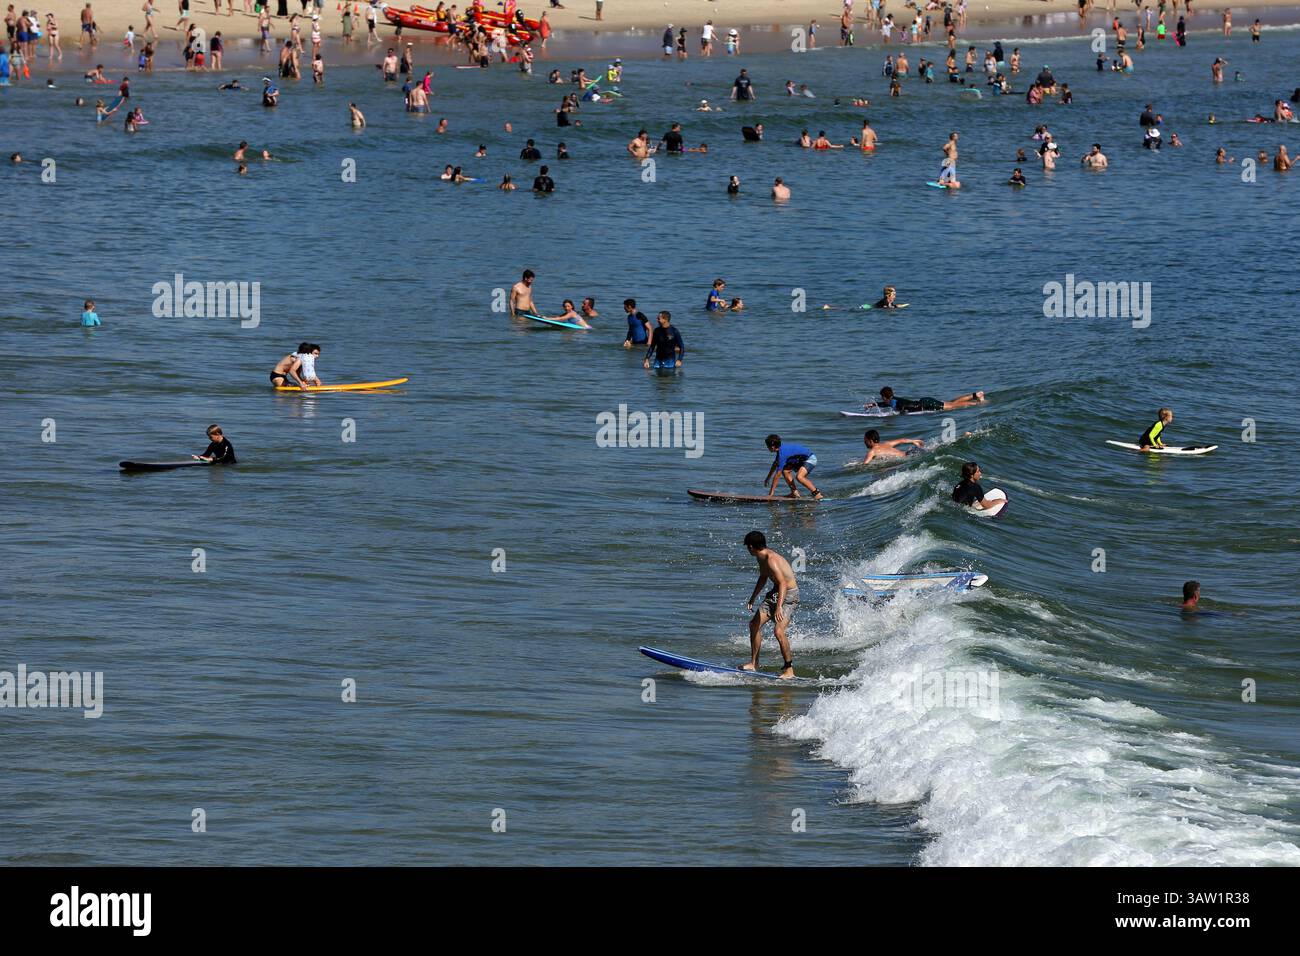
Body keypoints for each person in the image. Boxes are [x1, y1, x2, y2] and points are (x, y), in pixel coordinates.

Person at [741, 530, 798, 679]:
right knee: (754, 625)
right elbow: (763, 578)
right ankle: (754, 663)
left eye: (747, 546)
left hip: (789, 594)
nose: (747, 549)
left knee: (778, 631)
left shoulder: (771, 559)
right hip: (775, 592)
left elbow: (783, 584)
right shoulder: (761, 557)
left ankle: (789, 670)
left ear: (751, 547)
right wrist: (753, 598)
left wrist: (779, 607)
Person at [763, 434, 822, 499]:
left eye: (767, 446)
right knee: (785, 471)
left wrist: (771, 494)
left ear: (772, 447)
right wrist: (767, 478)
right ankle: (794, 493)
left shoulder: (782, 454)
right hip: (801, 460)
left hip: (810, 459)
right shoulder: (780, 450)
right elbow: (775, 464)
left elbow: (777, 475)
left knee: (799, 477)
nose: (767, 448)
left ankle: (817, 493)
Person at [871, 386, 985, 413]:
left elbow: (902, 407)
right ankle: (975, 395)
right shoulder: (892, 400)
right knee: (953, 403)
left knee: (954, 406)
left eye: (882, 398)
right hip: (926, 402)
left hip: (928, 405)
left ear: (885, 397)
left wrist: (902, 412)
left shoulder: (894, 402)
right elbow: (885, 405)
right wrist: (873, 405)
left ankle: (978, 403)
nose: (882, 400)